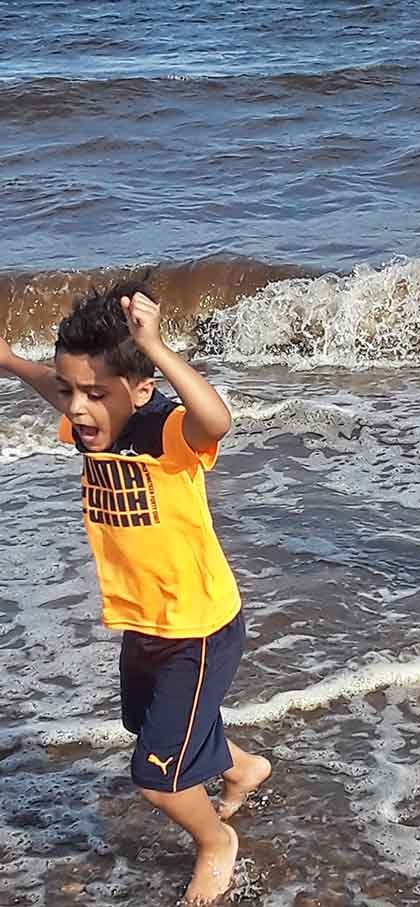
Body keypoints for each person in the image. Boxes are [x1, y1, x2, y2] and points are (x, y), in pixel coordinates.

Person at [0, 283, 271, 904]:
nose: (77, 408)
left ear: (140, 391)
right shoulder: (90, 427)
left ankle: (214, 843)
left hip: (197, 627)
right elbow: (53, 384)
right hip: (145, 621)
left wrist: (154, 344)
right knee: (147, 724)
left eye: (95, 394)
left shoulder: (167, 433)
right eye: (72, 393)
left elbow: (217, 419)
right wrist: (13, 361)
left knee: (156, 776)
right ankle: (243, 767)